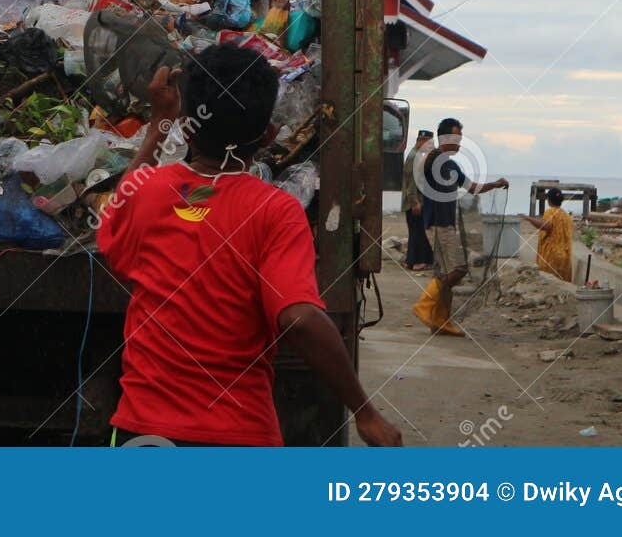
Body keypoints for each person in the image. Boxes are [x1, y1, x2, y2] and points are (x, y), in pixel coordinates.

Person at [96, 43, 403, 447]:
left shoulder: (147, 192)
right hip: (239, 435)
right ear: (268, 135)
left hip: (144, 434)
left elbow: (113, 218)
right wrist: (365, 412)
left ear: (189, 124)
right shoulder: (276, 211)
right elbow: (299, 318)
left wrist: (159, 125)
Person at [410, 117, 507, 337]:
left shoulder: (448, 163)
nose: (460, 142)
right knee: (457, 270)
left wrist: (494, 184)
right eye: (457, 137)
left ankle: (441, 320)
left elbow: (471, 187)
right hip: (439, 225)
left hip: (444, 223)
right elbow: (423, 167)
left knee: (446, 273)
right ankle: (426, 306)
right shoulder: (434, 160)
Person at [523, 189, 574, 283]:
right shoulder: (567, 216)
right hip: (565, 257)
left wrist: (529, 219)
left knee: (549, 283)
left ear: (549, 200)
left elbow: (546, 226)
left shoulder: (550, 212)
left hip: (551, 256)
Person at [402, 130, 435, 271]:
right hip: (414, 202)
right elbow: (411, 183)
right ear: (421, 140)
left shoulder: (416, 156)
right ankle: (417, 262)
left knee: (416, 232)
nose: (431, 147)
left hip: (416, 201)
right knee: (418, 232)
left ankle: (412, 261)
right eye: (429, 143)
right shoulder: (414, 158)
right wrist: (415, 202)